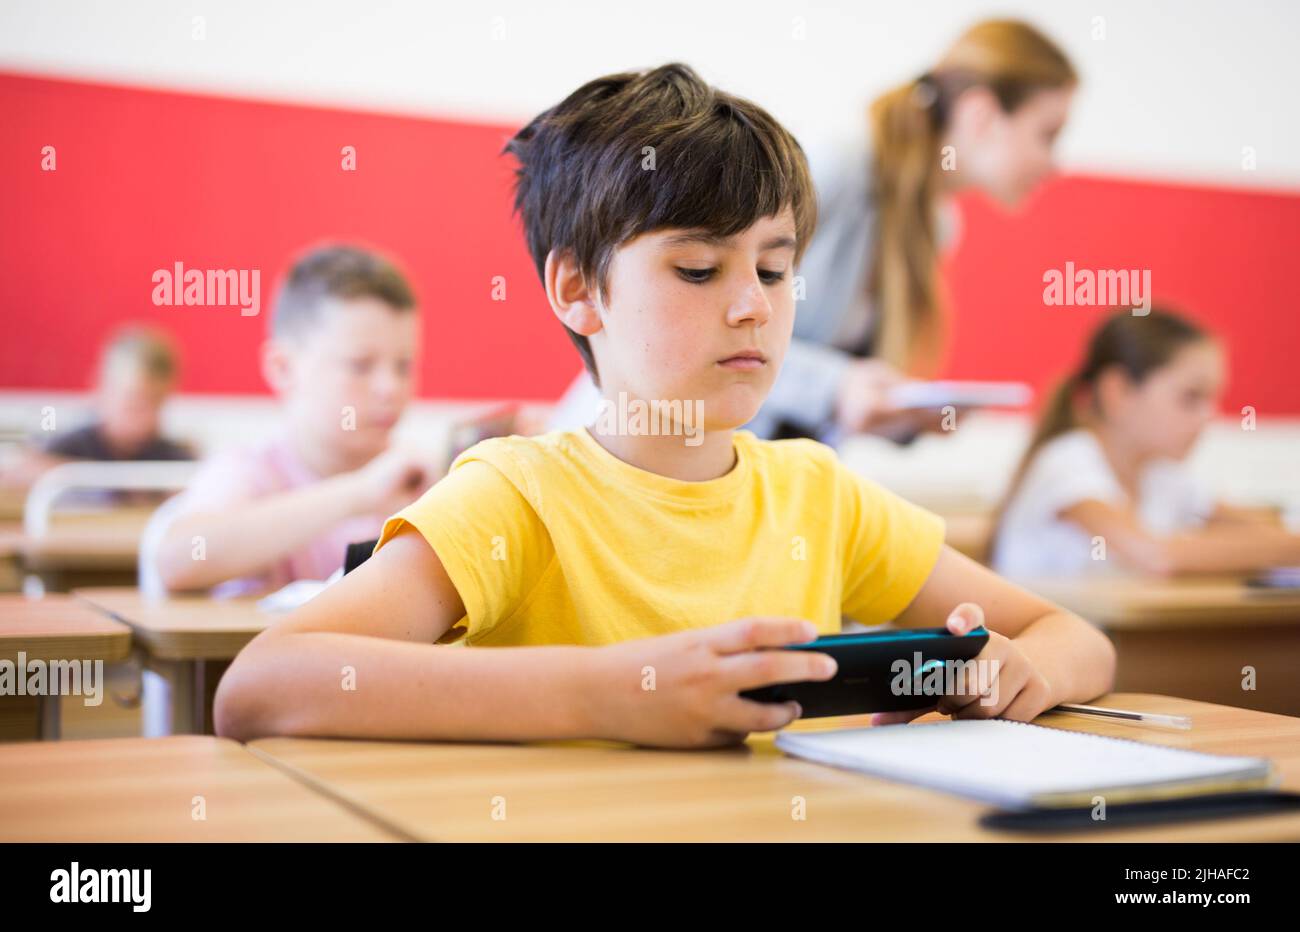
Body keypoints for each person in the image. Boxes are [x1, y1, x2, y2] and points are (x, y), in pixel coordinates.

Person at [214, 63, 1115, 747]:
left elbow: (1075, 636)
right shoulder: (518, 496)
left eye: (774, 267)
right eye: (698, 269)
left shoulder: (817, 494)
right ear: (578, 290)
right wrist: (603, 691)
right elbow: (263, 684)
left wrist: (1020, 666)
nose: (754, 304)